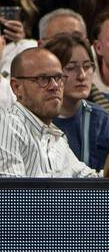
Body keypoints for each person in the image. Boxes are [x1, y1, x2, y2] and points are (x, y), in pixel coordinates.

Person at [0, 47, 101, 177]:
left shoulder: (56, 137)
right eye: (43, 78)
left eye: (58, 78)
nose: (54, 86)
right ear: (16, 87)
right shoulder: (7, 125)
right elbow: (11, 194)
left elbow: (89, 179)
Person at [46, 31, 109, 169]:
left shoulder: (101, 120)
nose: (82, 75)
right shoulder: (35, 117)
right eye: (71, 68)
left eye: (87, 66)